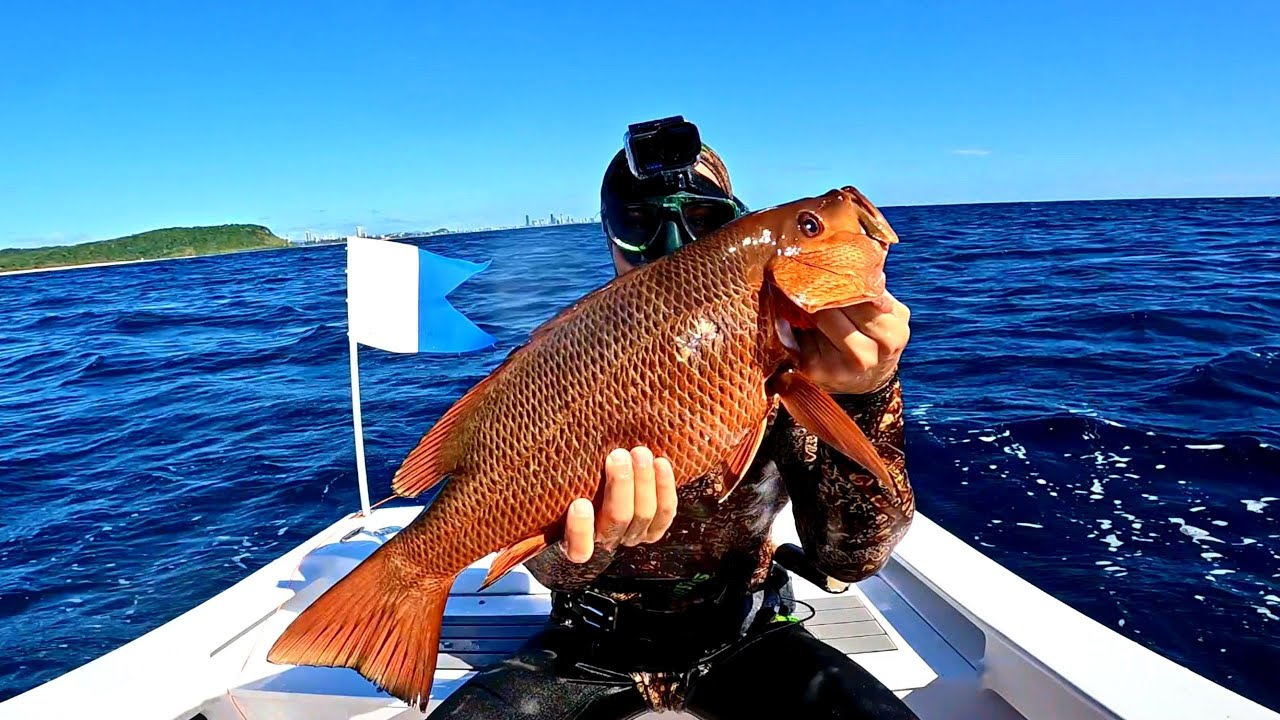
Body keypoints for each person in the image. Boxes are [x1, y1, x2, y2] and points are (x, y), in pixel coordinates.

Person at [432, 124, 917, 720]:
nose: (672, 240)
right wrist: (595, 546)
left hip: (746, 636)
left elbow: (851, 560)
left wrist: (868, 394)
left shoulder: (800, 359)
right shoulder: (562, 365)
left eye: (706, 219)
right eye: (637, 221)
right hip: (586, 645)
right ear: (608, 234)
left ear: (737, 224)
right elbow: (549, 568)